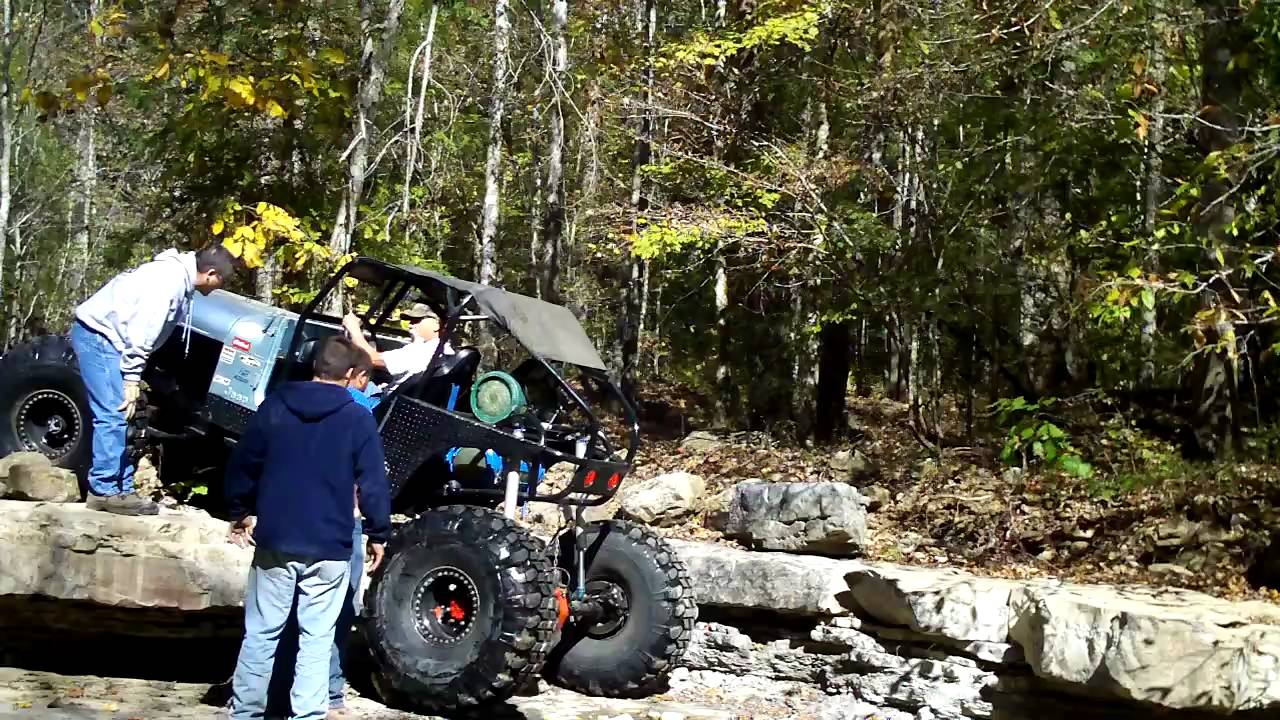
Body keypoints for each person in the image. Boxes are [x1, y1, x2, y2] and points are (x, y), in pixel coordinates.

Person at [224, 336, 390, 720]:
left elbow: (244, 462)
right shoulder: (357, 418)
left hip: (276, 537)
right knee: (317, 639)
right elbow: (373, 482)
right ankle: (309, 715)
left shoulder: (275, 406)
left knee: (261, 633)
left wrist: (239, 510)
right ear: (350, 374)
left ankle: (246, 712)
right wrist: (379, 532)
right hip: (330, 543)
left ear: (315, 366)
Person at [71, 245, 237, 516]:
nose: (220, 287)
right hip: (99, 337)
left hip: (114, 342)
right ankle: (103, 489)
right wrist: (131, 380)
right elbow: (140, 334)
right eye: (222, 281)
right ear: (210, 273)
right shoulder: (166, 284)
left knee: (128, 415)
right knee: (115, 411)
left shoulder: (179, 282)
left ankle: (121, 486)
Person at [341, 302, 453, 395]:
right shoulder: (444, 351)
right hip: (394, 398)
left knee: (342, 390)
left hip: (386, 407)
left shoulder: (424, 351)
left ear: (436, 325)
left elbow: (370, 358)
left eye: (416, 320)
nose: (410, 325)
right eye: (410, 320)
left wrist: (353, 328)